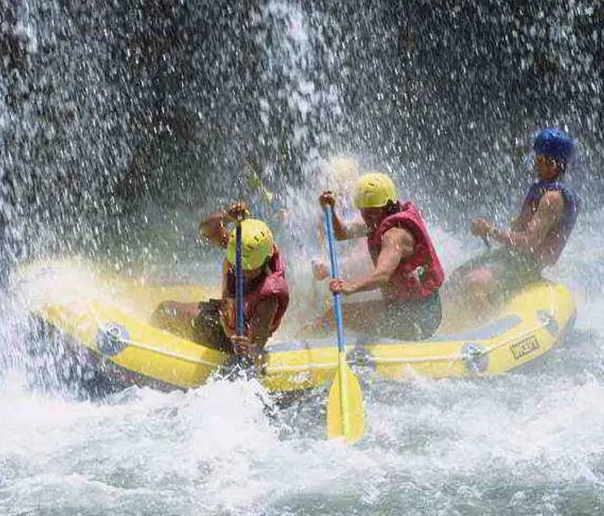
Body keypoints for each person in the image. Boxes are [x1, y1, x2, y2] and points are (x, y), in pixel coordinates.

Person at [453, 128, 579, 309]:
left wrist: (490, 230)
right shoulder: (541, 189)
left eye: (540, 160)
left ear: (555, 164)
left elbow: (528, 244)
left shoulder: (553, 199)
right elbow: (518, 232)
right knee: (457, 276)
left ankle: (488, 331)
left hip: (528, 266)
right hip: (514, 259)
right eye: (537, 158)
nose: (536, 164)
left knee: (475, 283)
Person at [318, 172, 445, 340]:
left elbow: (382, 276)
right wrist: (331, 210)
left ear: (387, 206)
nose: (366, 218)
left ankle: (299, 348)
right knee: (338, 314)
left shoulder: (394, 236)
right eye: (364, 212)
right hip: (408, 307)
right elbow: (342, 234)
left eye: (371, 214)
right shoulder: (379, 220)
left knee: (335, 315)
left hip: (417, 316)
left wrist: (350, 287)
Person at [193, 203, 289, 363]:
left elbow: (257, 346)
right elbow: (205, 229)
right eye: (238, 267)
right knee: (165, 309)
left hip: (227, 338)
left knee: (168, 312)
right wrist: (227, 217)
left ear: (264, 263)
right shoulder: (239, 249)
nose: (240, 272)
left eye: (247, 269)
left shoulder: (269, 297)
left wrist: (248, 348)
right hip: (221, 315)